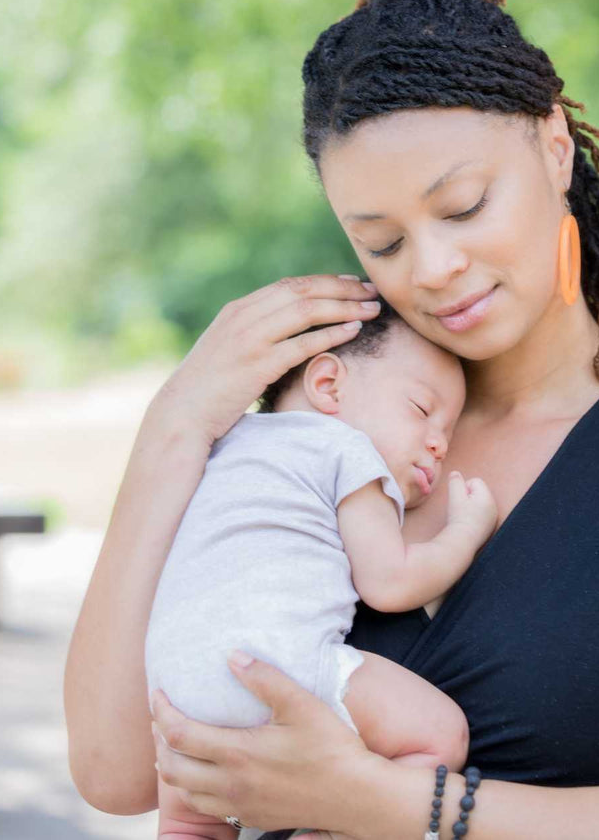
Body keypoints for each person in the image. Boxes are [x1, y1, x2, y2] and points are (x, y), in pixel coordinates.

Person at [65, 0, 599, 837]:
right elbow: (119, 770)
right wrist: (178, 424)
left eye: (465, 205)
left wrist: (389, 802)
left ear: (555, 147)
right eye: (382, 240)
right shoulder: (320, 429)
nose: (431, 267)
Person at [145, 302, 500, 839]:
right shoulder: (346, 449)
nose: (439, 443)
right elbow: (390, 582)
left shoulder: (223, 444)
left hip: (175, 685)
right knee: (439, 738)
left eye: (448, 431)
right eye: (422, 409)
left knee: (191, 825)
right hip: (280, 667)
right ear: (329, 384)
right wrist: (467, 531)